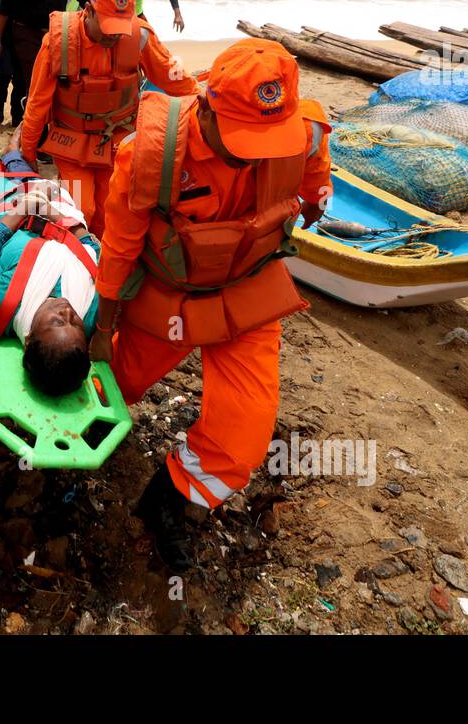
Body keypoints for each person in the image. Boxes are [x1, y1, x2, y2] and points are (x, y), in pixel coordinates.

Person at [89, 39, 331, 570]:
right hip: (168, 300)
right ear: (207, 106)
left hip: (248, 291)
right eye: (247, 138)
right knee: (113, 384)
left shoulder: (304, 134)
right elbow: (120, 246)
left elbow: (313, 171)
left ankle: (169, 498)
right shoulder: (150, 157)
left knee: (243, 437)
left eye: (272, 138)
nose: (259, 152)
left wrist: (314, 196)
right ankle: (62, 460)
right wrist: (103, 322)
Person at [19, 0, 195, 237]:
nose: (114, 36)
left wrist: (204, 100)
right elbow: (37, 103)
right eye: (108, 27)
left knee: (112, 210)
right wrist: (28, 152)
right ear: (88, 12)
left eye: (120, 28)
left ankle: (102, 260)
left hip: (119, 141)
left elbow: (174, 77)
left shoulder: (140, 36)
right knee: (79, 210)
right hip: (70, 142)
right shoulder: (58, 43)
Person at [0, 112, 98, 396]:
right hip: (57, 210)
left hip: (6, 211)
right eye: (73, 323)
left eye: (57, 321)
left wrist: (25, 207)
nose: (67, 311)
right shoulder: (92, 313)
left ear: (28, 340)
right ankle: (13, 151)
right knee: (27, 175)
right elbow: (94, 250)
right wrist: (53, 212)